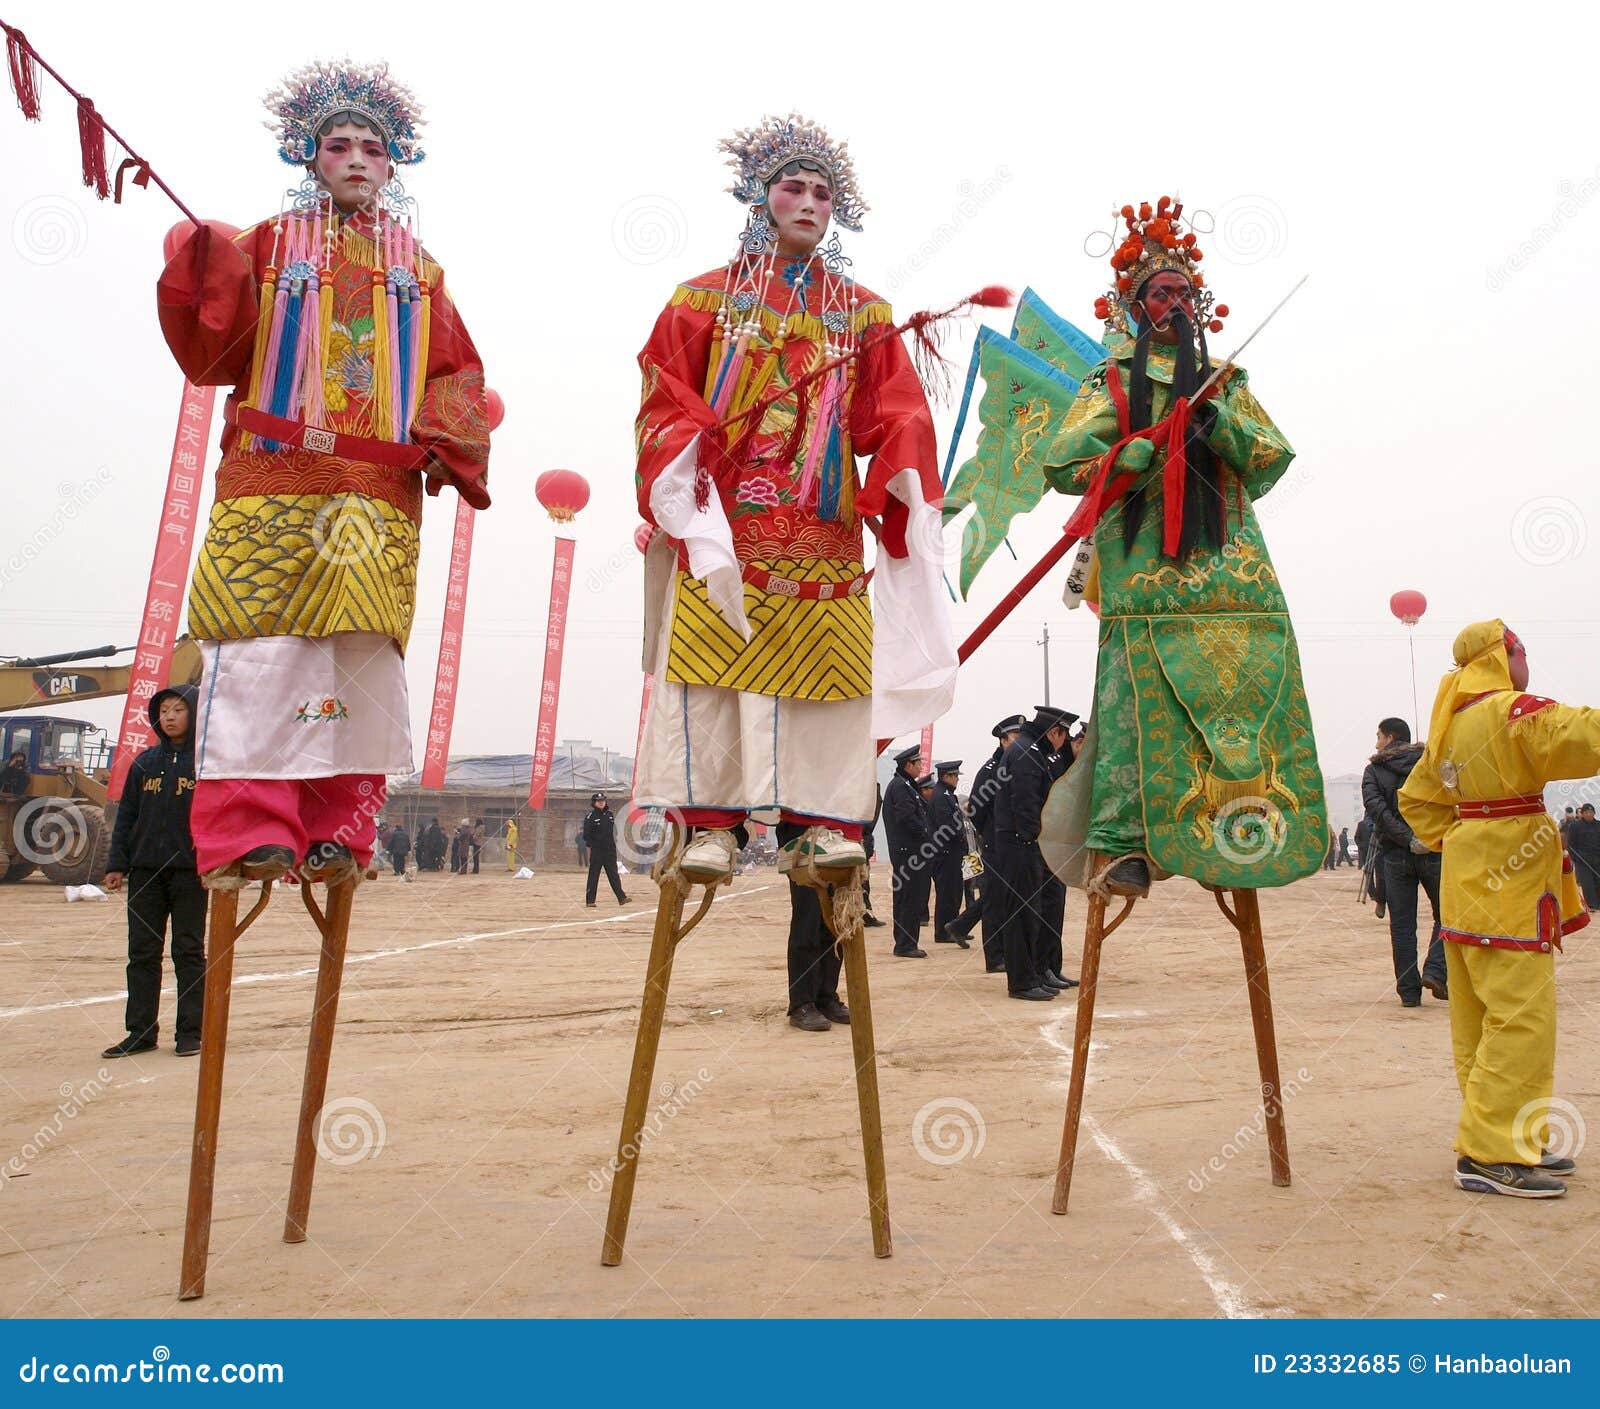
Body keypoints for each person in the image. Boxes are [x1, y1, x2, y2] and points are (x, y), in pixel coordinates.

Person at [155, 61, 490, 889]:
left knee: (358, 661)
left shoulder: (423, 272)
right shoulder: (263, 247)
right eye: (337, 144)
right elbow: (215, 356)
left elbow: (455, 372)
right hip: (271, 483)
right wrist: (200, 264)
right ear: (309, 156)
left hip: (374, 497)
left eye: (371, 148)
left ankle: (341, 826)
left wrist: (449, 440)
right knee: (263, 657)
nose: (354, 158)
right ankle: (250, 829)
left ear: (392, 163)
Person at [629, 113, 953, 892]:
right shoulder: (702, 298)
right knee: (711, 674)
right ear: (760, 195)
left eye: (821, 191)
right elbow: (664, 393)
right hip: (727, 530)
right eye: (793, 187)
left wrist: (899, 475)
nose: (808, 201)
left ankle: (825, 825)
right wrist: (688, 451)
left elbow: (899, 410)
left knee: (829, 679)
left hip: (823, 533)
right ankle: (710, 825)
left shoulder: (865, 312)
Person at [1041, 197, 1326, 897]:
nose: (1174, 302)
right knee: (1139, 699)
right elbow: (1061, 464)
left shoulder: (1225, 381)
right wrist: (1128, 457)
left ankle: (1242, 822)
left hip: (1233, 570)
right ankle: (1125, 841)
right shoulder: (1108, 381)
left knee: (1248, 689)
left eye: (1184, 292)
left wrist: (1218, 422)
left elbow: (1270, 458)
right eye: (1159, 292)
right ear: (1134, 307)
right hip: (1144, 574)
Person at [1400, 620, 1589, 1198]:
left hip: (1466, 883)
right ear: (1501, 657)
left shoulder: (1448, 723)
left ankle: (1514, 1138)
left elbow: (1417, 801)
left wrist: (1463, 838)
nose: (1527, 658)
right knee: (1522, 1021)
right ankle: (1489, 1152)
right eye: (1521, 650)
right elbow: (1588, 738)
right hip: (1511, 887)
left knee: (1479, 1021)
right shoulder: (1514, 712)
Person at [102, 686, 204, 1058]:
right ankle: (140, 1033)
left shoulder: (205, 764)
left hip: (191, 872)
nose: (171, 716)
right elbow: (127, 816)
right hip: (145, 872)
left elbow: (216, 820)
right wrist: (116, 864)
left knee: (189, 952)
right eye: (164, 710)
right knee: (142, 953)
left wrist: (213, 864)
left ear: (194, 715)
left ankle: (190, 1033)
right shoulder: (144, 763)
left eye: (179, 709)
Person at [992, 705, 1078, 1000]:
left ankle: (1036, 973)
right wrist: (1035, 839)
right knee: (1022, 913)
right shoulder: (1027, 753)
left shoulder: (1030, 750)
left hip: (1025, 843)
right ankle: (1022, 982)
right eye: (1063, 736)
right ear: (1054, 732)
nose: (1063, 743)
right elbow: (1026, 803)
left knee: (1033, 912)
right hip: (1021, 845)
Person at [1363, 716, 1447, 1007]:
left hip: (1395, 855)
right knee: (1449, 916)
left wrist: (1405, 838)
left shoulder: (1373, 771)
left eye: (1378, 735)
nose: (1376, 741)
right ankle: (1436, 971)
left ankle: (1409, 993)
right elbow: (1448, 800)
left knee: (1402, 926)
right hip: (1435, 850)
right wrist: (1424, 837)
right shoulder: (1431, 764)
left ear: (1389, 737)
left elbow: (1377, 810)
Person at [957, 714, 1026, 972]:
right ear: (1003, 740)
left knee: (1009, 902)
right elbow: (976, 809)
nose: (1021, 743)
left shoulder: (1014, 766)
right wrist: (992, 831)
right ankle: (994, 957)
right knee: (995, 902)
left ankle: (1007, 953)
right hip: (996, 846)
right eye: (1016, 738)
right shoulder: (990, 771)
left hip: (1013, 845)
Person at [780, 821, 851, 1032]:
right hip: (802, 839)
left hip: (839, 838)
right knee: (807, 921)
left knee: (835, 924)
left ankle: (826, 996)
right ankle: (801, 1003)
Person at [882, 745, 931, 957]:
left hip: (911, 851)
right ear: (908, 765)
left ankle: (907, 942)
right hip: (908, 852)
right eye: (918, 763)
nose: (921, 766)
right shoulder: (900, 787)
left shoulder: (906, 785)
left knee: (910, 898)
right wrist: (927, 835)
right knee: (908, 899)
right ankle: (905, 945)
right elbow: (907, 818)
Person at [930, 761, 975, 949]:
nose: (957, 779)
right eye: (955, 776)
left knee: (955, 891)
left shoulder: (947, 795)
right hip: (946, 853)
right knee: (947, 893)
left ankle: (953, 926)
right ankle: (943, 931)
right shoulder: (941, 796)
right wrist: (959, 838)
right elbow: (946, 825)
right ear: (946, 776)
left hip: (954, 852)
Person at [583, 793, 630, 906]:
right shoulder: (590, 817)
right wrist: (593, 845)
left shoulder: (610, 815)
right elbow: (586, 835)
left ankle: (621, 898)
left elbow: (615, 831)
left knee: (613, 874)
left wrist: (615, 842)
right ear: (594, 803)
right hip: (597, 851)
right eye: (598, 801)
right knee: (594, 875)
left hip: (610, 850)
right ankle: (590, 901)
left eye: (603, 800)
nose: (601, 802)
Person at [1564, 803, 1600, 910]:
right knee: (1587, 883)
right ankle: (1592, 905)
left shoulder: (1598, 825)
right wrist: (1577, 859)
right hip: (1582, 860)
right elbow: (1571, 845)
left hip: (1597, 857)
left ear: (1594, 813)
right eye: (1586, 812)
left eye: (1591, 812)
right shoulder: (1575, 826)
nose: (1589, 814)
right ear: (1582, 814)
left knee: (1598, 881)